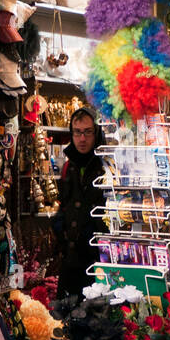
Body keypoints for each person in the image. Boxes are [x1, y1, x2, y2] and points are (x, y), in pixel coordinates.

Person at [55, 107, 106, 297]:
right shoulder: (69, 166)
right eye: (77, 132)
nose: (82, 139)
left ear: (96, 133)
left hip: (97, 258)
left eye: (87, 132)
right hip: (71, 259)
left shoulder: (106, 165)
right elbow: (64, 204)